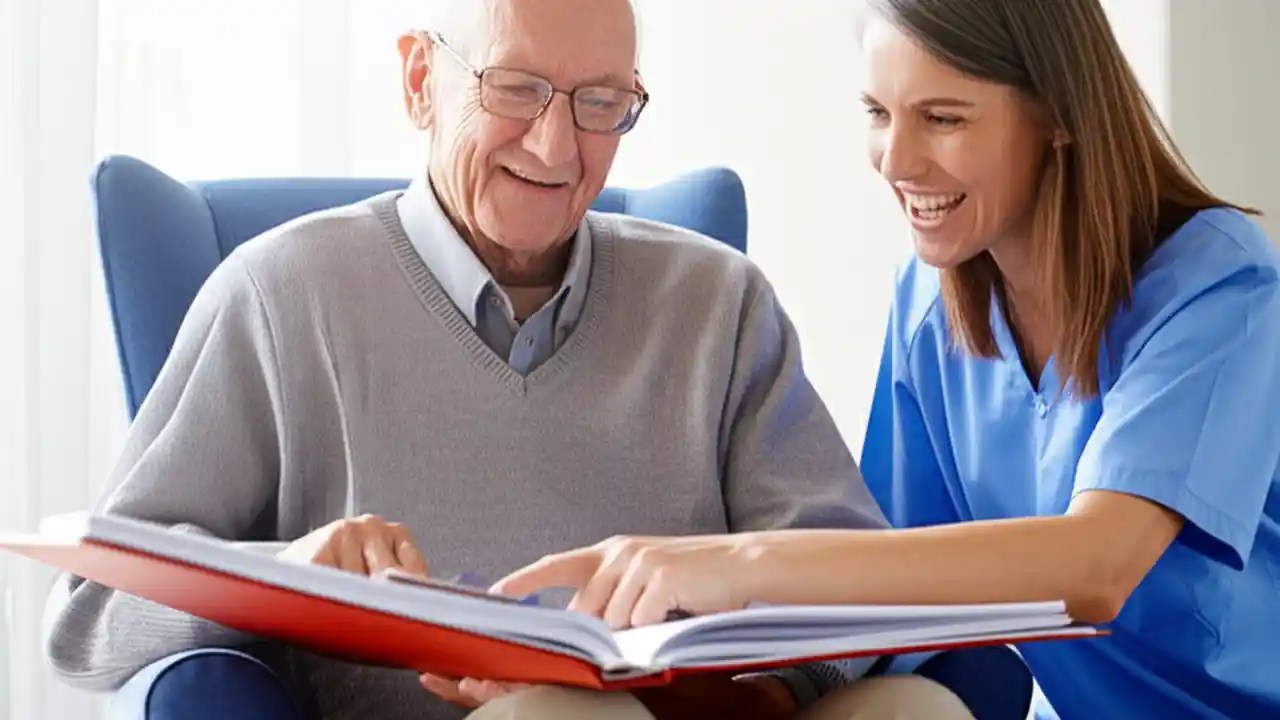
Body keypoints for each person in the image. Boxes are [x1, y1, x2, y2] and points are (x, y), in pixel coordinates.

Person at [42, 1, 1010, 718]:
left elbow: (846, 580)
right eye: (515, 90)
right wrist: (286, 575)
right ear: (421, 80)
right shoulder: (280, 292)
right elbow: (85, 622)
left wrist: (761, 690)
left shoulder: (716, 299)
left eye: (601, 102)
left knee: (917, 710)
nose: (558, 144)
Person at [492, 1, 1280, 718]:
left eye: (942, 118)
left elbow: (1099, 565)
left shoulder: (1218, 284)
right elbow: (894, 587)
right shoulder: (931, 304)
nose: (896, 160)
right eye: (878, 112)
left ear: (1059, 117)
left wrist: (738, 563)